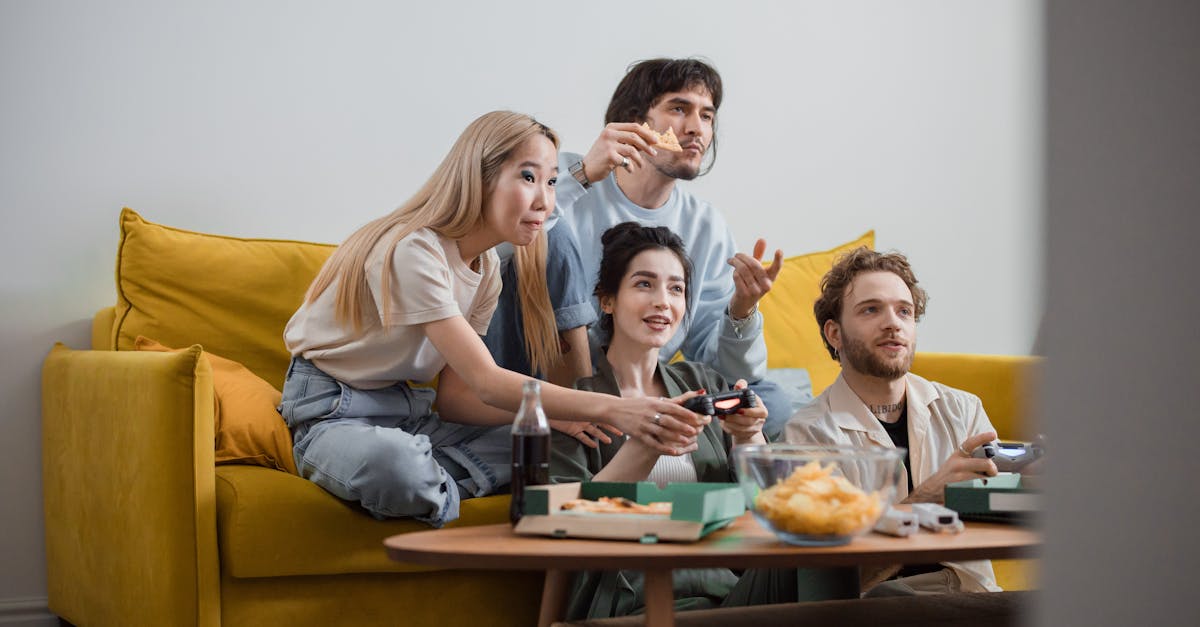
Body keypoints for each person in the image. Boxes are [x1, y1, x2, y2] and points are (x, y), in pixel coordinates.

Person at [277, 111, 704, 527]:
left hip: (408, 412)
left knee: (541, 449)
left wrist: (550, 419)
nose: (545, 200)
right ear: (480, 179)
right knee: (400, 468)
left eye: (553, 181)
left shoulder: (485, 273)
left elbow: (457, 400)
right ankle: (408, 474)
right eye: (529, 177)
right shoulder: (414, 251)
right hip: (332, 410)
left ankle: (433, 478)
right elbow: (485, 379)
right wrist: (618, 408)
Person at [494, 57, 799, 441]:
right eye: (678, 108)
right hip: (549, 375)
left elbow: (719, 370)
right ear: (635, 120)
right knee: (552, 235)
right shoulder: (565, 177)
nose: (696, 129)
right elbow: (494, 253)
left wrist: (742, 310)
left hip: (642, 383)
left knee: (771, 400)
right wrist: (585, 173)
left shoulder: (706, 227)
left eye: (707, 116)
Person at [553, 223, 835, 619]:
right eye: (644, 285)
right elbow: (560, 520)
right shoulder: (576, 404)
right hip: (628, 601)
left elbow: (771, 506)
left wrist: (749, 436)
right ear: (607, 301)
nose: (662, 302)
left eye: (676, 288)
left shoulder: (703, 383)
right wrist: (649, 442)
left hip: (723, 594)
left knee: (824, 548)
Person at [784, 247, 1003, 594]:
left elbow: (1003, 526)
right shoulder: (807, 433)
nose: (893, 323)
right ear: (834, 334)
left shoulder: (963, 408)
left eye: (905, 311)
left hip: (971, 595)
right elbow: (833, 577)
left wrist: (1033, 491)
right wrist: (925, 500)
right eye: (871, 309)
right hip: (875, 603)